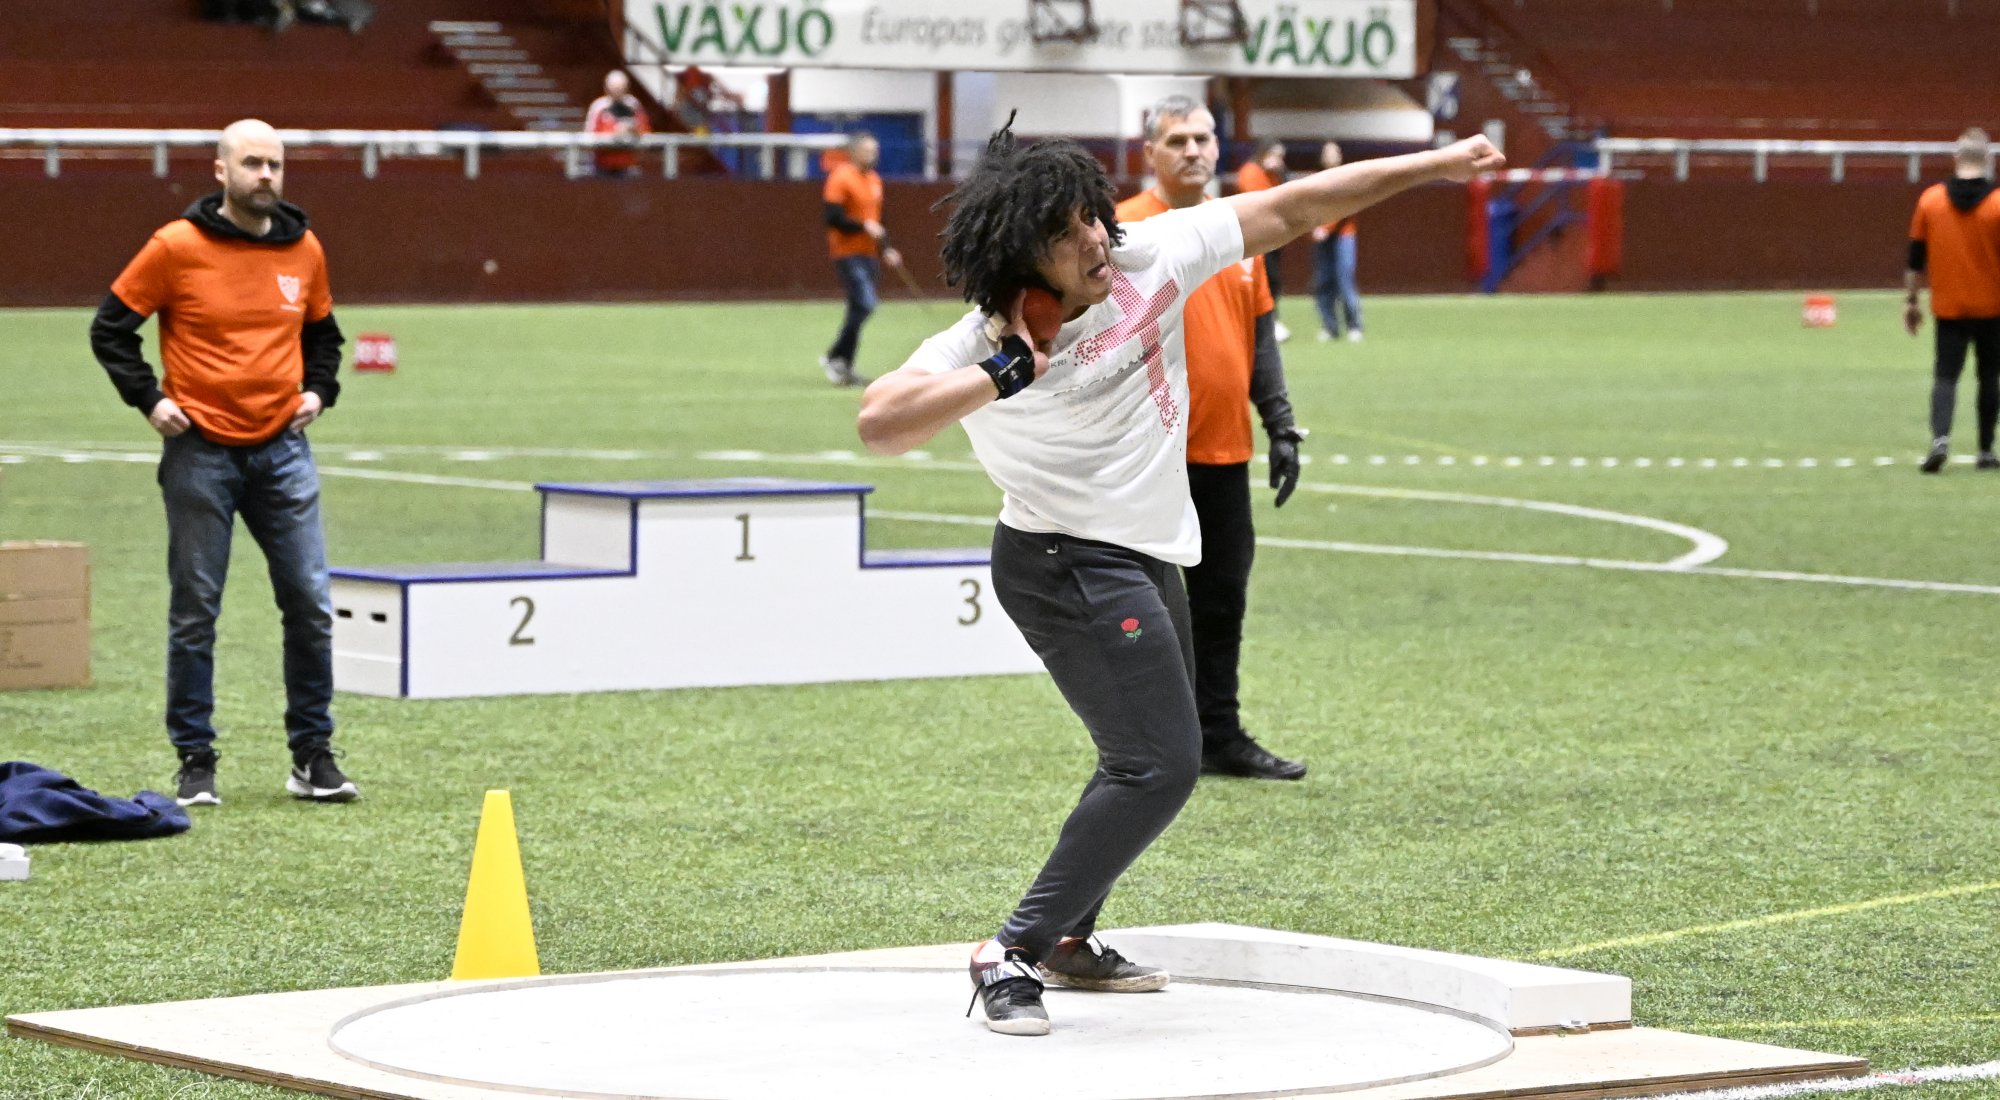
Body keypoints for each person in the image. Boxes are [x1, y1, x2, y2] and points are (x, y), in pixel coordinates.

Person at [855, 115, 1502, 1035]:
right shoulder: (984, 339)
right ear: (1018, 256)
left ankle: (1070, 937)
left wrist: (1439, 162)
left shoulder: (1152, 253)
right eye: (1066, 234)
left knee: (1137, 756)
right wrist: (1001, 377)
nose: (1095, 241)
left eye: (1092, 217)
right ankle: (1015, 950)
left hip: (1145, 552)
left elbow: (1296, 204)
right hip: (1060, 562)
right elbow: (881, 422)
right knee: (1162, 762)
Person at [88, 119, 358, 808]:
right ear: (220, 171)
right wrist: (148, 399)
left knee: (310, 604)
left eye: (274, 164)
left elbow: (324, 337)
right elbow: (111, 327)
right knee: (195, 610)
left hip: (284, 452)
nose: (265, 175)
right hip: (200, 453)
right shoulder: (175, 246)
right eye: (252, 164)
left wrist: (320, 390)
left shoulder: (306, 249)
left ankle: (312, 755)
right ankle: (196, 761)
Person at [1115, 96, 1307, 782]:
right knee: (1143, 610)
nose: (1193, 150)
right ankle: (1148, 743)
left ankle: (1218, 738)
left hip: (1224, 453)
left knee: (1222, 599)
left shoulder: (1239, 230)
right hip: (1146, 456)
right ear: (1151, 155)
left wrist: (1279, 421)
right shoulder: (1124, 232)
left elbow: (1258, 336)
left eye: (1202, 138)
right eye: (1177, 141)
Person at [1907, 127, 2000, 473]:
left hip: (1949, 308)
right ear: (1989, 160)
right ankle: (1986, 450)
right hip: (1993, 308)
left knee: (1945, 376)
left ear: (1956, 158)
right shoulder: (1998, 203)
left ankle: (1940, 439)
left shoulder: (1931, 200)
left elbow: (1915, 258)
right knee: (1989, 377)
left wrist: (1912, 301)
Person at [820, 132, 902, 386]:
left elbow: (878, 220)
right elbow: (832, 218)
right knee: (865, 304)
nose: (872, 156)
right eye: (868, 151)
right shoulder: (840, 178)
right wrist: (863, 227)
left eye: (874, 151)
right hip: (847, 252)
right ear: (855, 152)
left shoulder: (875, 180)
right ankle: (837, 358)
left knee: (859, 308)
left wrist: (886, 248)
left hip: (869, 254)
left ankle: (841, 361)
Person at [1235, 140, 1291, 342]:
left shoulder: (1274, 175)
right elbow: (1262, 200)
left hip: (1272, 234)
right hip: (1256, 234)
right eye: (1275, 155)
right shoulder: (1250, 171)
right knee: (1265, 277)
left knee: (1273, 279)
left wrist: (1281, 173)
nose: (1278, 160)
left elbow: (1285, 196)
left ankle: (1272, 319)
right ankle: (1265, 321)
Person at [1311, 141, 1365, 343]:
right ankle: (1329, 326)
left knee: (1344, 278)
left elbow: (1346, 207)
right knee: (1323, 280)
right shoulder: (1315, 179)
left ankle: (1354, 325)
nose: (1331, 156)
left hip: (1343, 235)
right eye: (1327, 152)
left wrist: (1325, 229)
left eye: (1335, 152)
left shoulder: (1347, 177)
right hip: (1321, 237)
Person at [583, 70, 652, 178]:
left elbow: (645, 132)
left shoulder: (634, 106)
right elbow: (590, 136)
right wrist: (614, 133)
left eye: (621, 87)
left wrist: (633, 130)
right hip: (602, 166)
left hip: (627, 166)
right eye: (614, 88)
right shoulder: (599, 107)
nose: (617, 91)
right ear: (607, 88)